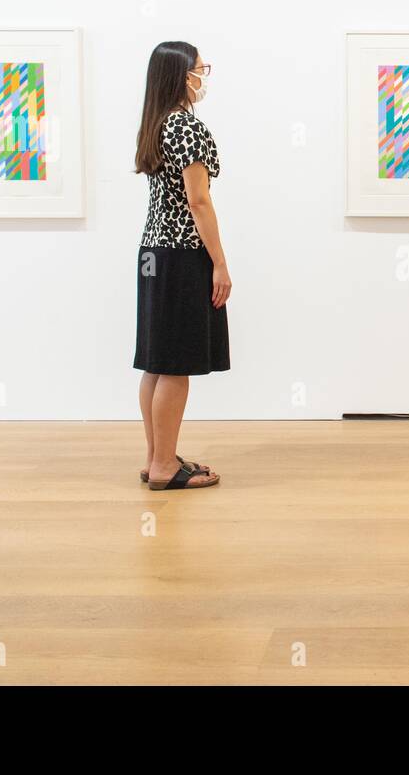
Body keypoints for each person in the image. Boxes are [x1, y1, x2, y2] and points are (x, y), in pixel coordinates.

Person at [132, 41, 230, 491]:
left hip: (153, 253)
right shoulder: (187, 128)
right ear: (179, 76)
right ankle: (165, 468)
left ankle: (158, 458)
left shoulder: (155, 125)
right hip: (179, 255)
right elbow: (199, 201)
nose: (202, 77)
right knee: (175, 366)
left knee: (158, 362)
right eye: (198, 69)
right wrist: (219, 263)